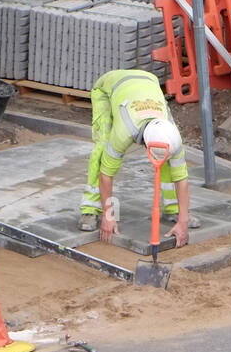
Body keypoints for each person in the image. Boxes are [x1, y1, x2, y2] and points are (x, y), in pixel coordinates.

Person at [79, 69, 194, 247]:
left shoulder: (171, 135)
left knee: (167, 161)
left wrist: (183, 221)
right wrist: (109, 216)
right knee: (103, 148)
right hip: (108, 87)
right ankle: (90, 209)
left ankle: (173, 209)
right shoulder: (124, 132)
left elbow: (182, 178)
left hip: (148, 82)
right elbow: (106, 174)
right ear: (145, 144)